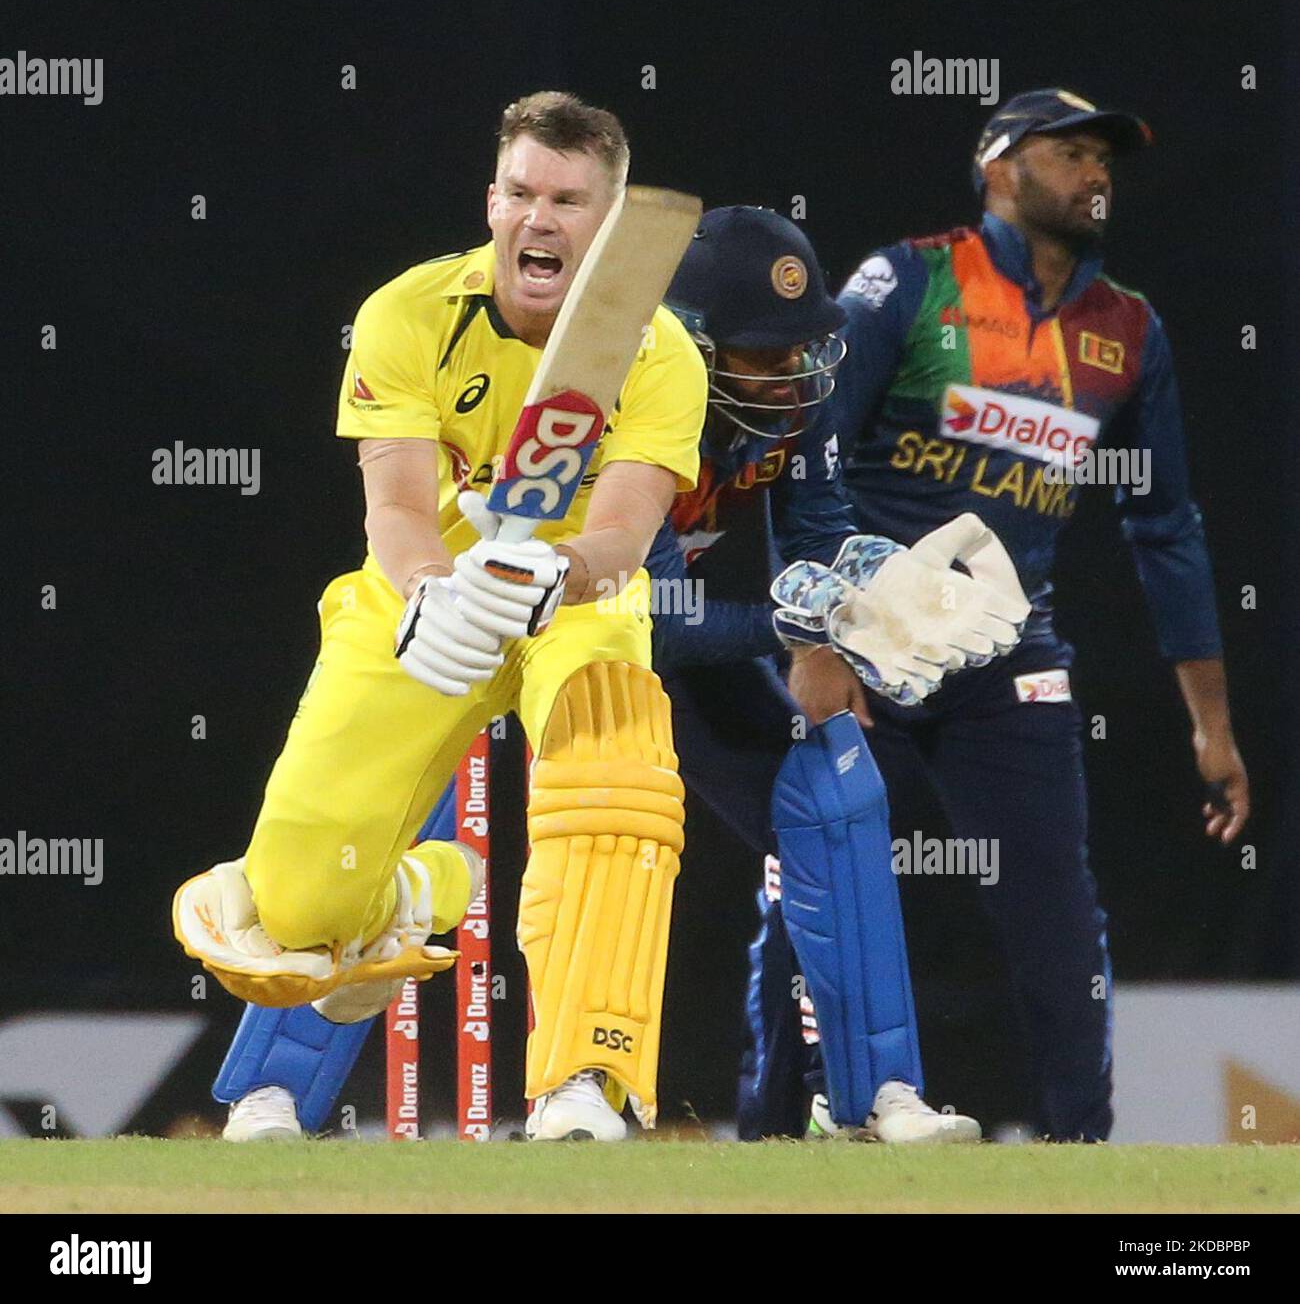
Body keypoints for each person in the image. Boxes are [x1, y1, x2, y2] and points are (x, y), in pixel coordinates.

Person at [174, 90, 710, 1143]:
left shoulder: (662, 354)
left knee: (617, 775)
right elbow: (397, 504)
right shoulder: (406, 312)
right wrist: (431, 593)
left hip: (572, 602)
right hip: (425, 595)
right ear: (492, 200)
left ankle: (581, 1087)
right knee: (289, 922)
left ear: (605, 224)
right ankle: (423, 889)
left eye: (566, 199)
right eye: (520, 192)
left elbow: (623, 534)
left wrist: (547, 577)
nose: (538, 218)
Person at [754, 89, 1250, 1141]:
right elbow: (805, 455)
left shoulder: (1128, 330)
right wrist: (821, 635)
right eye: (1066, 153)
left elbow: (1163, 527)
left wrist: (1209, 722)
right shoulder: (908, 281)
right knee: (814, 892)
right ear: (997, 167)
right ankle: (767, 1136)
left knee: (1057, 920)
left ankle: (1081, 1152)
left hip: (1003, 656)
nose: (1092, 175)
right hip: (861, 643)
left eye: (1101, 159)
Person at [650, 206, 1027, 1140]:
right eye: (766, 356)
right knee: (410, 837)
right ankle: (277, 1086)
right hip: (540, 648)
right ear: (692, 345)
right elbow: (643, 619)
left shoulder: (791, 401)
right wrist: (793, 624)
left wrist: (876, 594)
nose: (796, 375)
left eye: (804, 348)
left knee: (837, 791)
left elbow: (816, 539)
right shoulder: (636, 397)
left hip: (661, 629)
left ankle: (867, 1095)